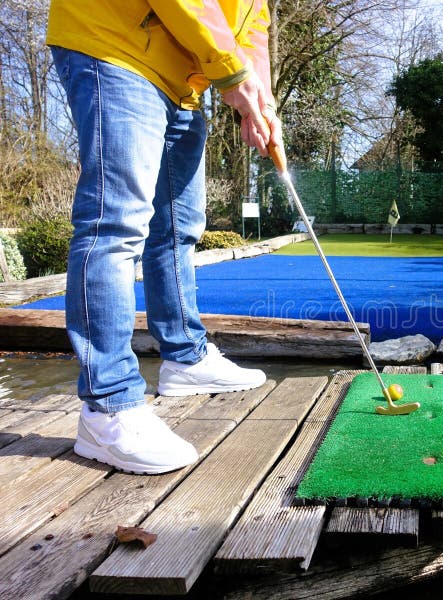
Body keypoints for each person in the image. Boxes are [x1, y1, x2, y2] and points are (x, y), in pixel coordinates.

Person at [46, 0, 284, 475]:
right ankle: (107, 405)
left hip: (184, 80)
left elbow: (253, 19)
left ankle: (184, 358)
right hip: (117, 45)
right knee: (114, 225)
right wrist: (231, 73)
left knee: (179, 227)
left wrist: (260, 95)